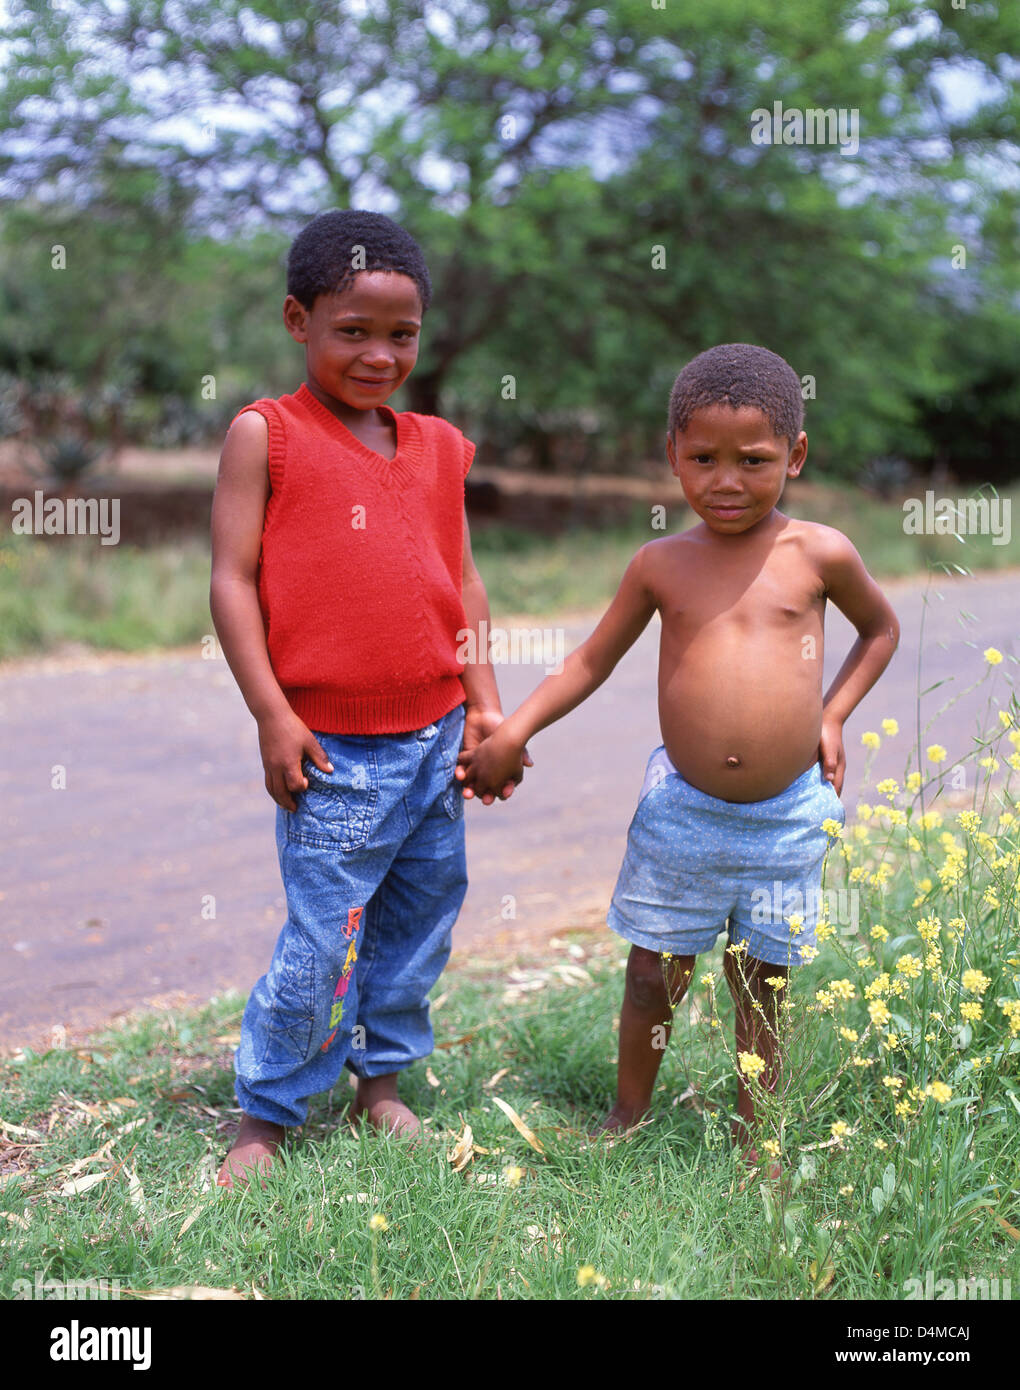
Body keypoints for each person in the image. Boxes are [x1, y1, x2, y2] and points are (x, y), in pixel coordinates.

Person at [456, 343, 900, 1167]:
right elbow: (590, 659)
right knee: (652, 974)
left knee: (763, 984)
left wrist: (832, 714)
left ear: (794, 456)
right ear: (672, 457)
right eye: (703, 459)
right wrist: (514, 730)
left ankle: (754, 1132)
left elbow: (881, 630)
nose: (725, 481)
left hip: (788, 813)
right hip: (683, 813)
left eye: (754, 461)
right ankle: (628, 1114)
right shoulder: (661, 564)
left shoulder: (819, 553)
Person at [210, 209, 522, 1189]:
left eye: (402, 334)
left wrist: (486, 705)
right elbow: (229, 580)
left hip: (435, 732)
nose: (381, 354)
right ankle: (267, 1108)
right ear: (299, 320)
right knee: (326, 934)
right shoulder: (267, 435)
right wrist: (271, 710)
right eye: (354, 331)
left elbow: (460, 580)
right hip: (330, 745)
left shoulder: (436, 446)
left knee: (420, 914)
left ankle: (380, 1083)